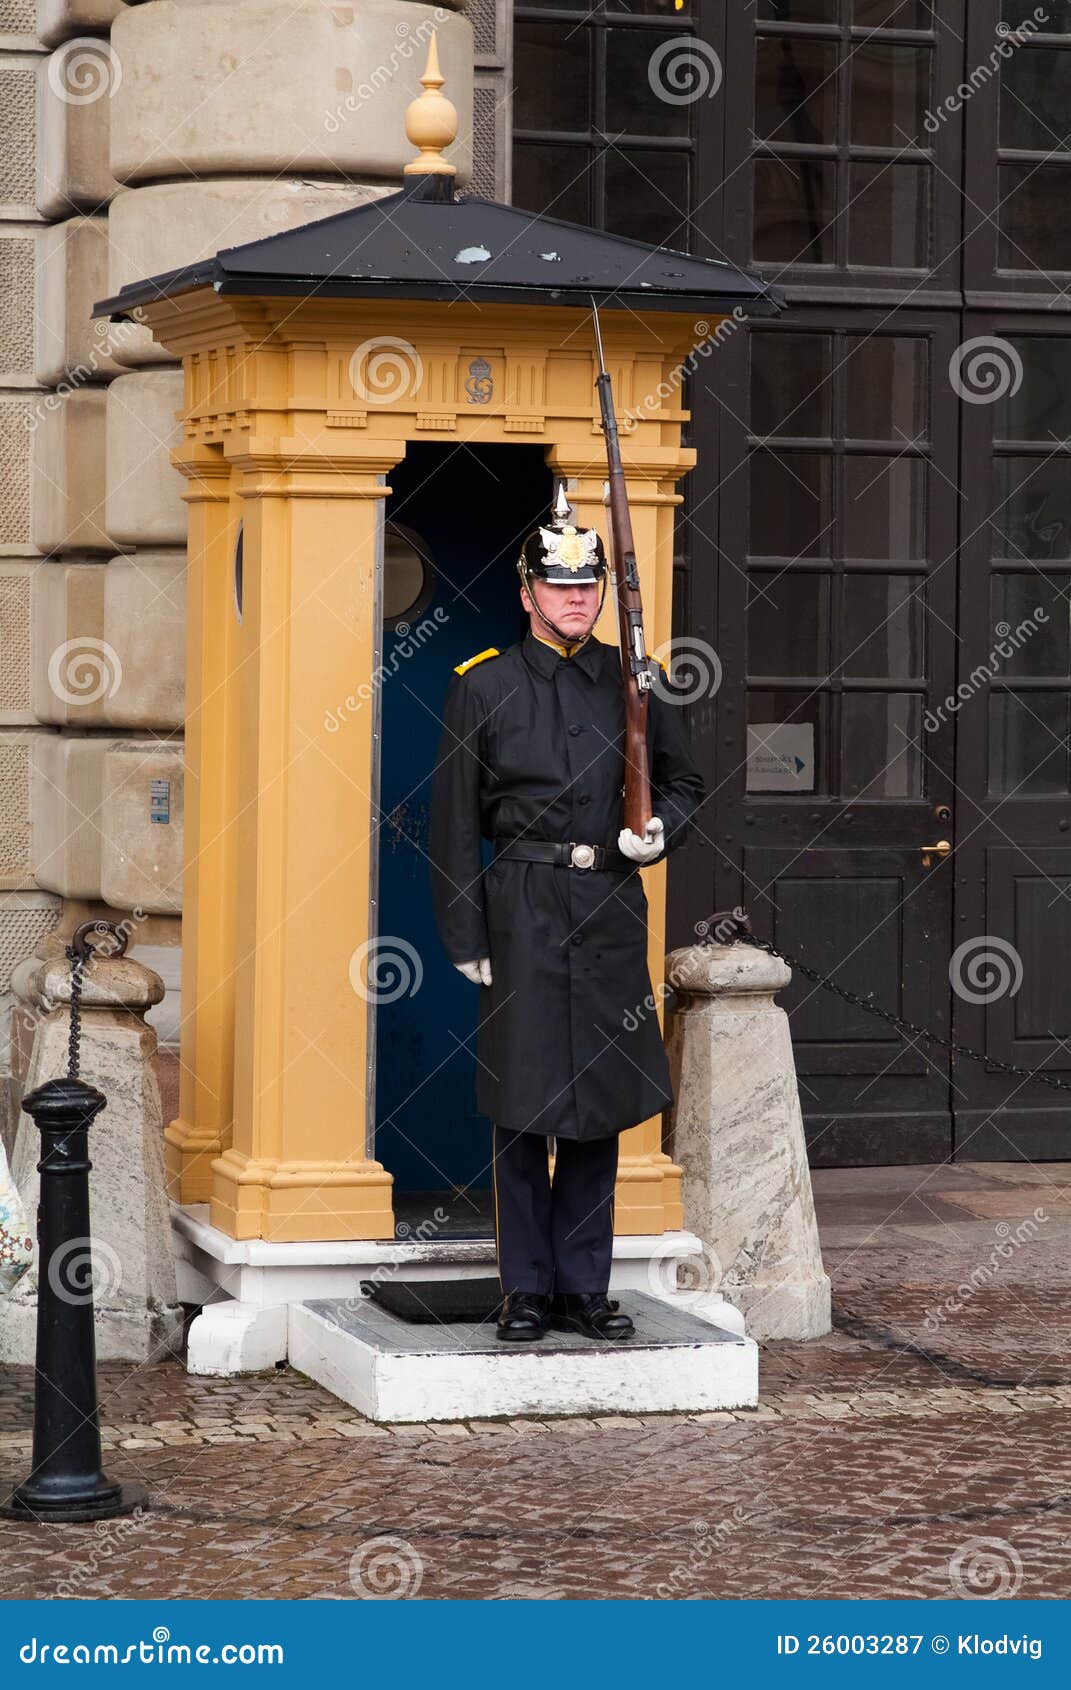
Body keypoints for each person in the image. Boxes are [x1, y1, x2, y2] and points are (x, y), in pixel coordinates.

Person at [428, 485, 705, 1343]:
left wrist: (658, 834)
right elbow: (449, 824)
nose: (576, 599)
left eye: (587, 587)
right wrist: (465, 933)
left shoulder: (638, 681)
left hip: (611, 907)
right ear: (527, 594)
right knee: (523, 1107)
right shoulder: (483, 686)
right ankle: (524, 1290)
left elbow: (685, 783)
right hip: (521, 910)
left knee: (599, 1106)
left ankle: (584, 1288)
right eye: (559, 586)